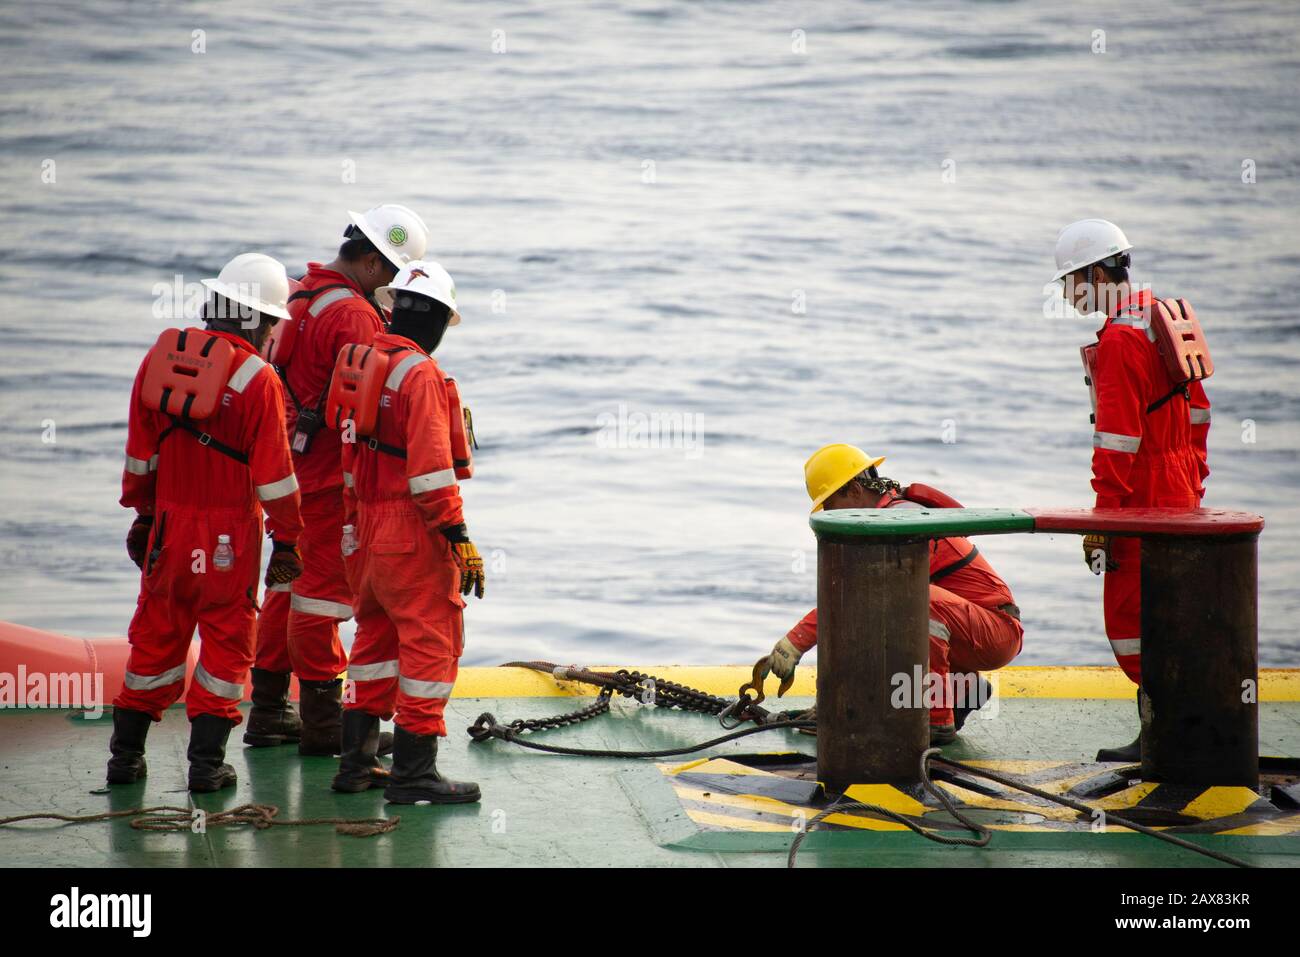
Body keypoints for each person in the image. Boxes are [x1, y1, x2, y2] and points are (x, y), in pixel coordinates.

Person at [109, 253, 304, 791]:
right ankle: (205, 767)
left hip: (168, 531)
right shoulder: (260, 380)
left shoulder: (159, 360)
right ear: (257, 320)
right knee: (225, 647)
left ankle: (124, 759)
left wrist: (144, 516)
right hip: (229, 540)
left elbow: (139, 456)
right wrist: (287, 541)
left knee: (155, 639)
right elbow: (276, 479)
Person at [250, 205, 430, 755]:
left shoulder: (298, 293)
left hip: (287, 469)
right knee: (322, 599)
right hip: (328, 475)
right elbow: (373, 398)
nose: (395, 287)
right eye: (393, 273)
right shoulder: (353, 315)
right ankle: (326, 726)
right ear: (373, 261)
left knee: (285, 585)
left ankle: (268, 710)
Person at [1054, 219, 1211, 760]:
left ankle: (1167, 737)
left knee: (1132, 622)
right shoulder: (1163, 319)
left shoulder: (1121, 339)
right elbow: (1198, 413)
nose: (1066, 293)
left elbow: (1116, 443)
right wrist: (1193, 480)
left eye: (1071, 281)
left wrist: (1103, 525)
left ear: (1098, 273)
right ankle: (1173, 732)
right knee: (1173, 612)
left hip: (1142, 496)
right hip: (1179, 485)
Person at [331, 260, 483, 802]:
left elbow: (349, 455)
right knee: (430, 644)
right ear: (439, 320)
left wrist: (354, 524)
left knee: (374, 640)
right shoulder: (422, 376)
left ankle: (356, 766)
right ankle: (415, 774)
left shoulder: (364, 361)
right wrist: (458, 537)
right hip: (411, 529)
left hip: (365, 523)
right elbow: (431, 477)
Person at [763, 444, 1023, 744]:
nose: (831, 515)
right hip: (973, 632)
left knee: (909, 597)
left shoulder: (903, 522)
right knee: (884, 605)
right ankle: (962, 689)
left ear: (854, 490)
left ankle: (937, 721)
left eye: (831, 504)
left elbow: (859, 592)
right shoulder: (886, 516)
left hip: (996, 633)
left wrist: (795, 642)